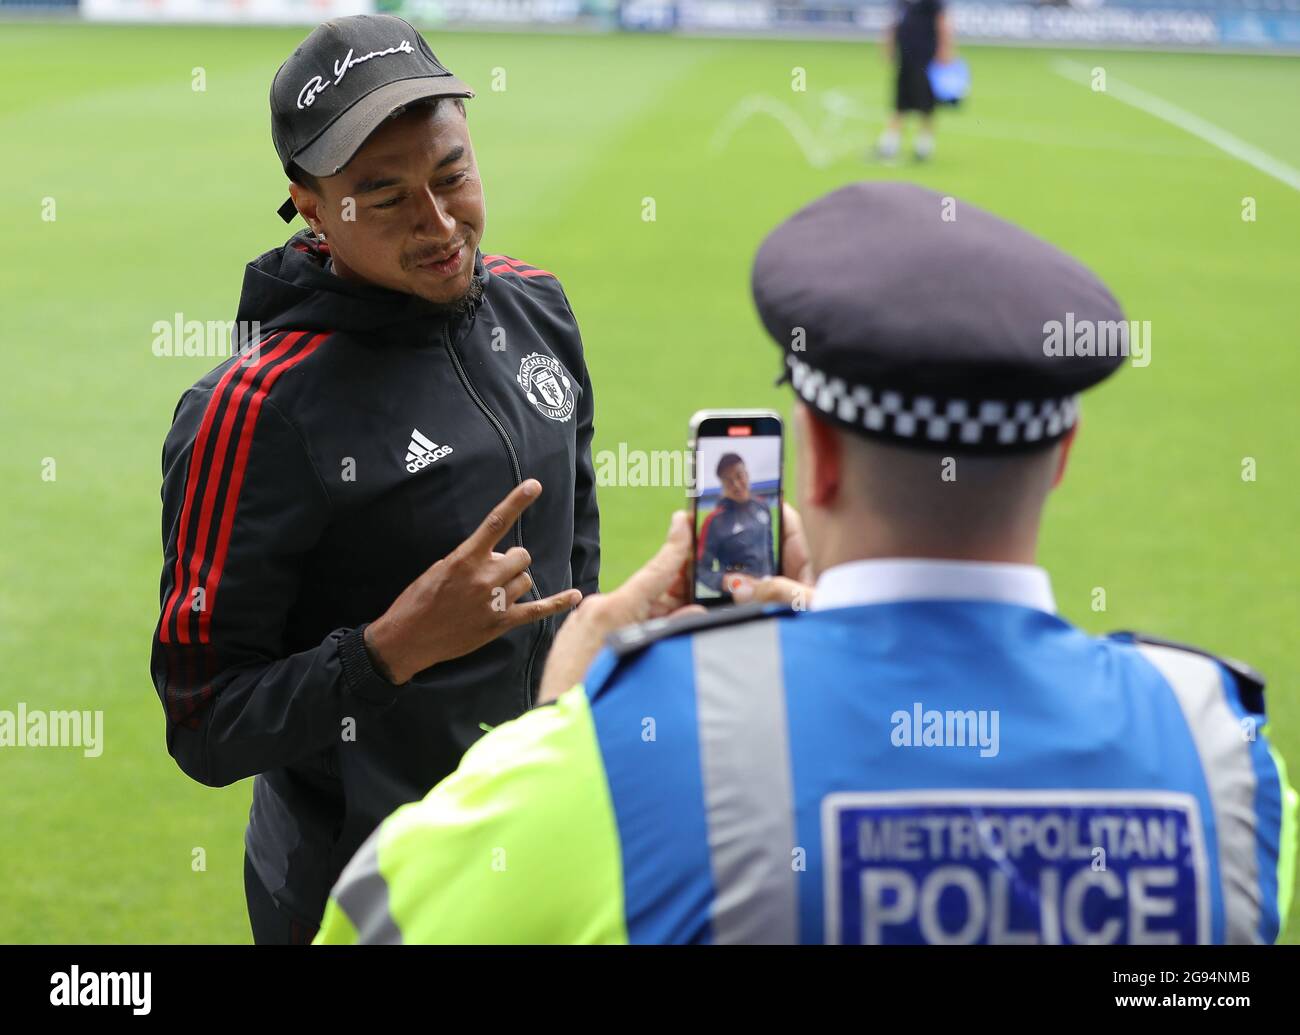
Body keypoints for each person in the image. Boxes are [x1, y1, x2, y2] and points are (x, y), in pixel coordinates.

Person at [314, 182, 1294, 945]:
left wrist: (560, 723)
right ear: (1063, 456)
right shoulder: (1223, 758)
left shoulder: (631, 755)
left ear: (815, 452)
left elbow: (369, 926)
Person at [149, 14, 599, 944]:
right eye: (383, 197)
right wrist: (391, 647)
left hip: (543, 852)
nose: (438, 225)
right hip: (361, 896)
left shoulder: (538, 307)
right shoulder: (252, 410)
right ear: (309, 206)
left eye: (453, 175)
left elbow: (575, 565)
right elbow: (203, 719)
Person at [875, 0, 955, 162]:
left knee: (926, 103)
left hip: (925, 58)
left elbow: (942, 23)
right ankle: (890, 144)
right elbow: (894, 23)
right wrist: (888, 46)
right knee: (899, 102)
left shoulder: (932, 2)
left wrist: (944, 49)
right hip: (904, 58)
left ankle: (924, 146)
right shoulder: (902, 3)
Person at [696, 453, 777, 597]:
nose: (737, 485)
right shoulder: (714, 522)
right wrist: (726, 582)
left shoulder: (762, 507)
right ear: (722, 484)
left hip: (769, 596)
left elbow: (769, 551)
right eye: (729, 481)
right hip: (736, 603)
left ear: (747, 474)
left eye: (739, 476)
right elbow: (700, 569)